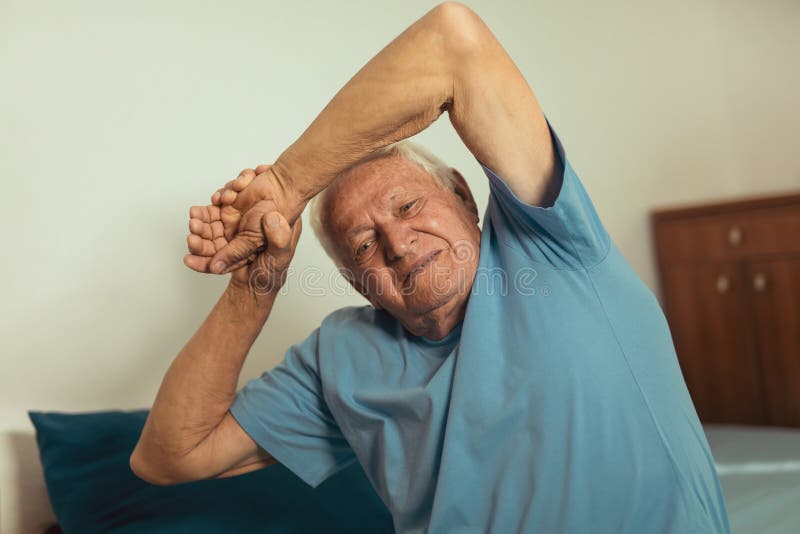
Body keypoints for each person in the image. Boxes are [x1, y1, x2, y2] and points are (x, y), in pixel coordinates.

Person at [131, 3, 730, 532]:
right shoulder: (340, 357)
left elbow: (452, 40)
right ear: (354, 282)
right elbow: (169, 457)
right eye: (362, 245)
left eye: (409, 206)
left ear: (465, 199)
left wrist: (287, 184)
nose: (396, 243)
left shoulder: (550, 244)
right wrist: (255, 283)